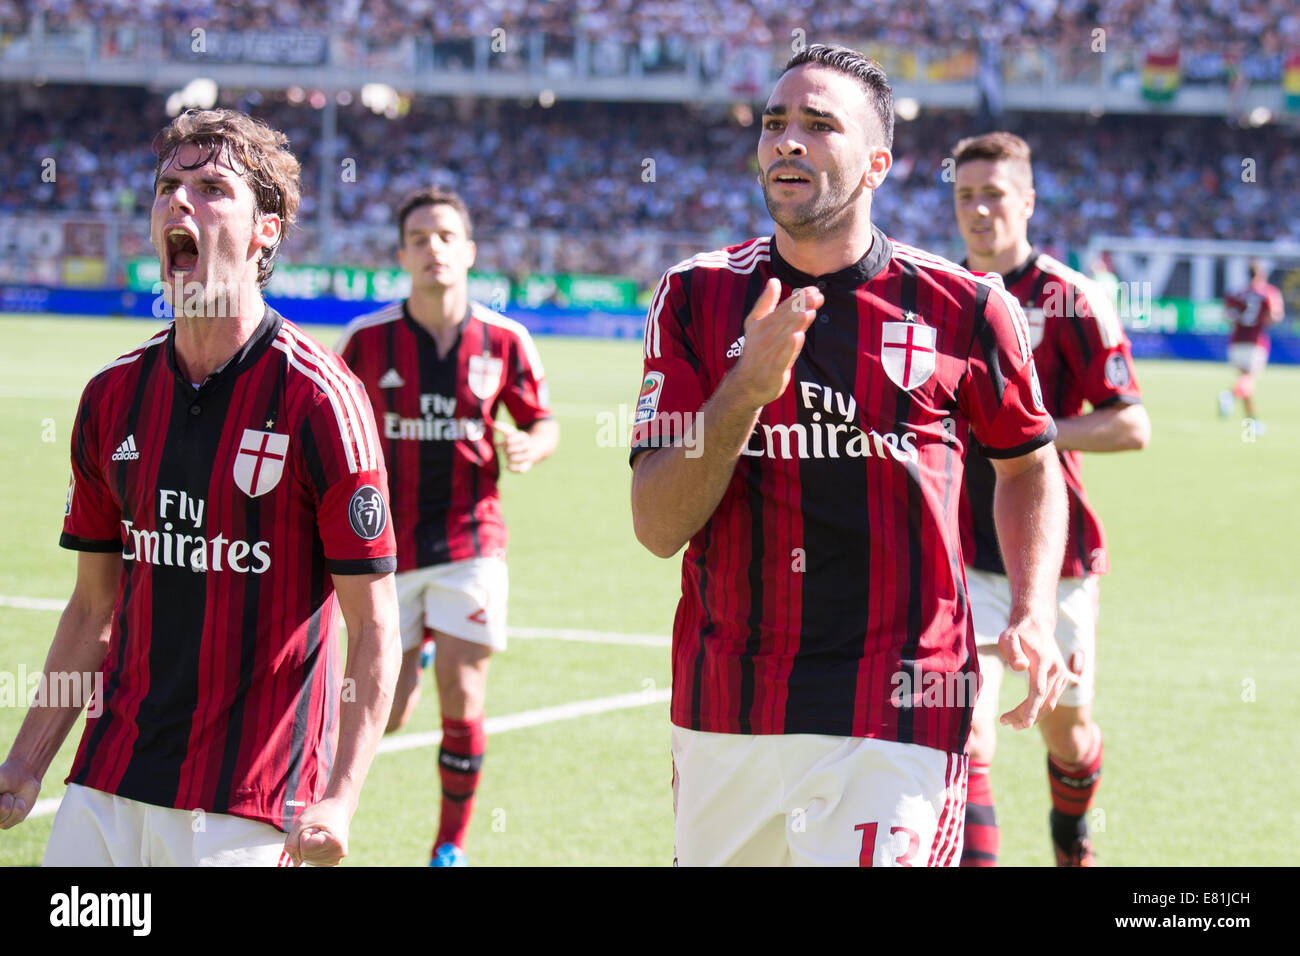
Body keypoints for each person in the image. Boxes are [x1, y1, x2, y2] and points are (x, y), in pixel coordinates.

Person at [629, 45, 1071, 867]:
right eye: (774, 124)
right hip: (728, 704)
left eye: (817, 125)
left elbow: (1029, 464)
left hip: (900, 704)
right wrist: (742, 392)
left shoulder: (969, 308)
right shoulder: (693, 295)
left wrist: (1034, 610)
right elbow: (657, 525)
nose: (786, 141)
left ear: (877, 164)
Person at [0, 109, 401, 866]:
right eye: (167, 188)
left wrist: (340, 798)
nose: (180, 202)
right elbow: (93, 606)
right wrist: (26, 762)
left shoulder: (323, 402)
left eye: (212, 187)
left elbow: (376, 627)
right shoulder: (111, 396)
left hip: (245, 806)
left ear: (266, 232)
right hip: (106, 783)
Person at [337, 187, 558, 867]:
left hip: (471, 541)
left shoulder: (505, 339)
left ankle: (449, 846)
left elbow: (542, 420)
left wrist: (531, 445)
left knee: (463, 696)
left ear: (468, 252)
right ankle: (415, 652)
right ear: (403, 254)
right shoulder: (366, 342)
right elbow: (329, 422)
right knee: (389, 712)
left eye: (446, 236)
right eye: (420, 237)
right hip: (385, 551)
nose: (434, 247)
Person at [952, 131, 1150, 866]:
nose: (978, 210)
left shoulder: (1072, 298)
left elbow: (1132, 423)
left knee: (1067, 732)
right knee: (966, 730)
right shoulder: (942, 295)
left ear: (1028, 202)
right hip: (962, 549)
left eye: (994, 194)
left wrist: (1027, 433)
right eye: (965, 196)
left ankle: (1071, 836)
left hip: (1053, 556)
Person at [1219, 260, 1285, 430]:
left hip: (1236, 341)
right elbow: (1275, 315)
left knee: (1245, 382)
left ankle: (1252, 422)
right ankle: (1229, 395)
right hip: (1255, 341)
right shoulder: (1269, 292)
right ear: (1261, 274)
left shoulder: (1237, 292)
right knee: (1248, 380)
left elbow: (1227, 315)